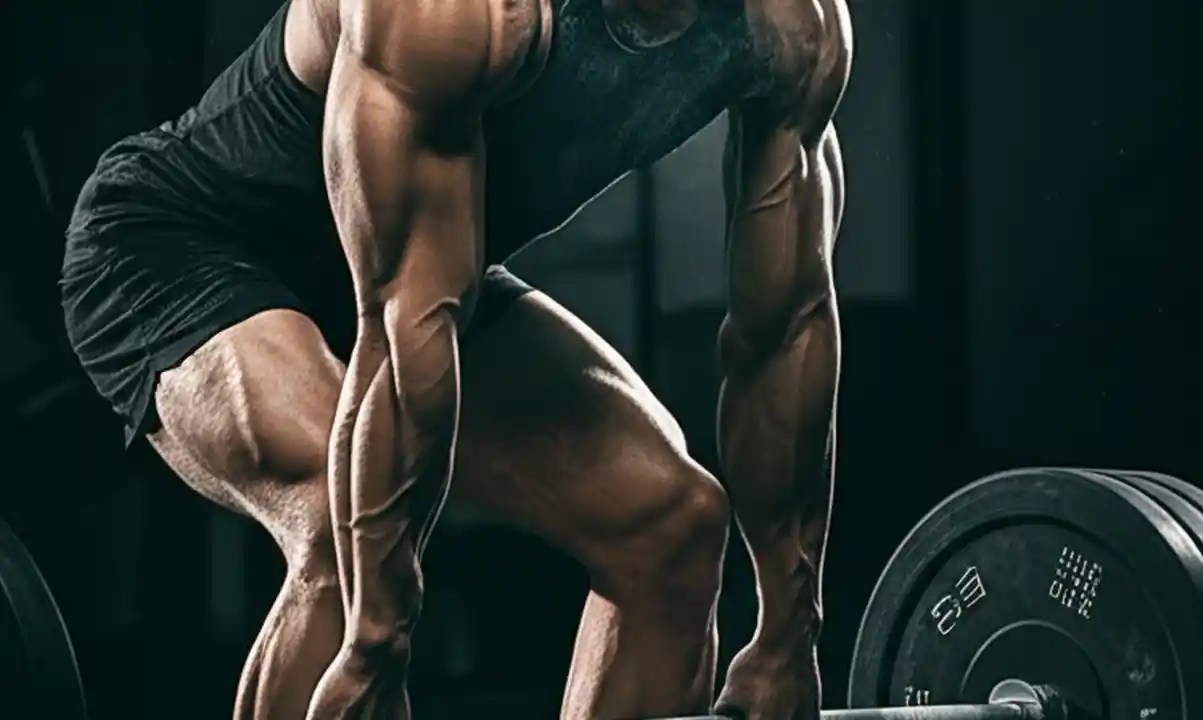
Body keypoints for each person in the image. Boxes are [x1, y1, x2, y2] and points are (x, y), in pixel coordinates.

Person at [60, 0, 852, 717]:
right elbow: (402, 332)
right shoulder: (458, 13)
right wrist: (375, 647)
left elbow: (784, 331)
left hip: (429, 264)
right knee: (345, 531)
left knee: (670, 525)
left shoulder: (791, 31)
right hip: (184, 247)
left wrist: (788, 634)